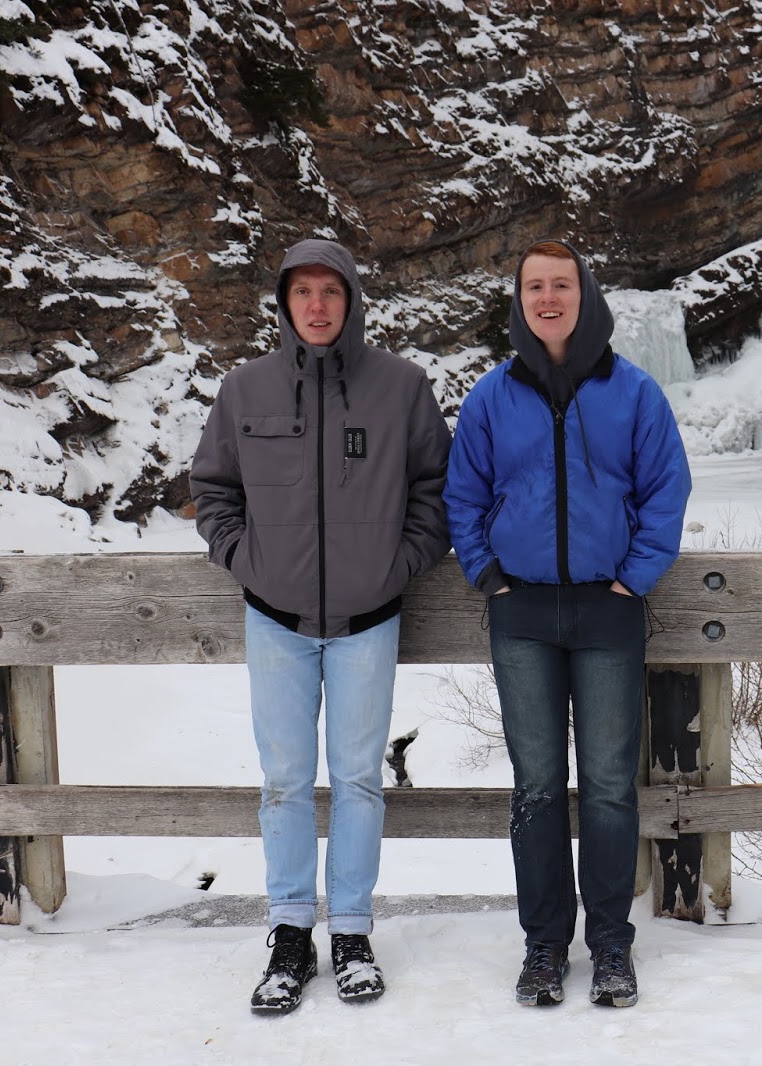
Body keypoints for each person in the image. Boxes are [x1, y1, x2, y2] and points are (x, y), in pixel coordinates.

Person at [190, 239, 452, 1014]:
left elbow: (436, 488)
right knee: (284, 782)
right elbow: (212, 487)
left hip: (369, 622)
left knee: (361, 779)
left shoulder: (401, 388)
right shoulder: (245, 389)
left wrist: (398, 566)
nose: (316, 306)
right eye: (302, 292)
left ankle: (354, 933)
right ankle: (290, 932)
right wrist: (248, 560)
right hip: (277, 622)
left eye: (329, 292)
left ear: (352, 300)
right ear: (284, 303)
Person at [444, 239, 691, 1008]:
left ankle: (611, 946)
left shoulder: (635, 392)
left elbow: (665, 491)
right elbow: (463, 494)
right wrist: (488, 574)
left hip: (606, 609)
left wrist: (633, 581)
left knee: (612, 787)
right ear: (518, 301)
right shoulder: (491, 396)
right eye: (534, 287)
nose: (548, 298)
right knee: (539, 789)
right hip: (521, 613)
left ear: (585, 294)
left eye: (562, 284)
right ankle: (545, 945)